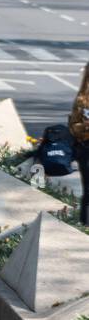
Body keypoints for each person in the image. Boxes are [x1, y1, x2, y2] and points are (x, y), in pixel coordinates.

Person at [70, 63, 89, 226]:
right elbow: (73, 126)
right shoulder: (82, 100)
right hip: (86, 149)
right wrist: (85, 126)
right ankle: (85, 226)